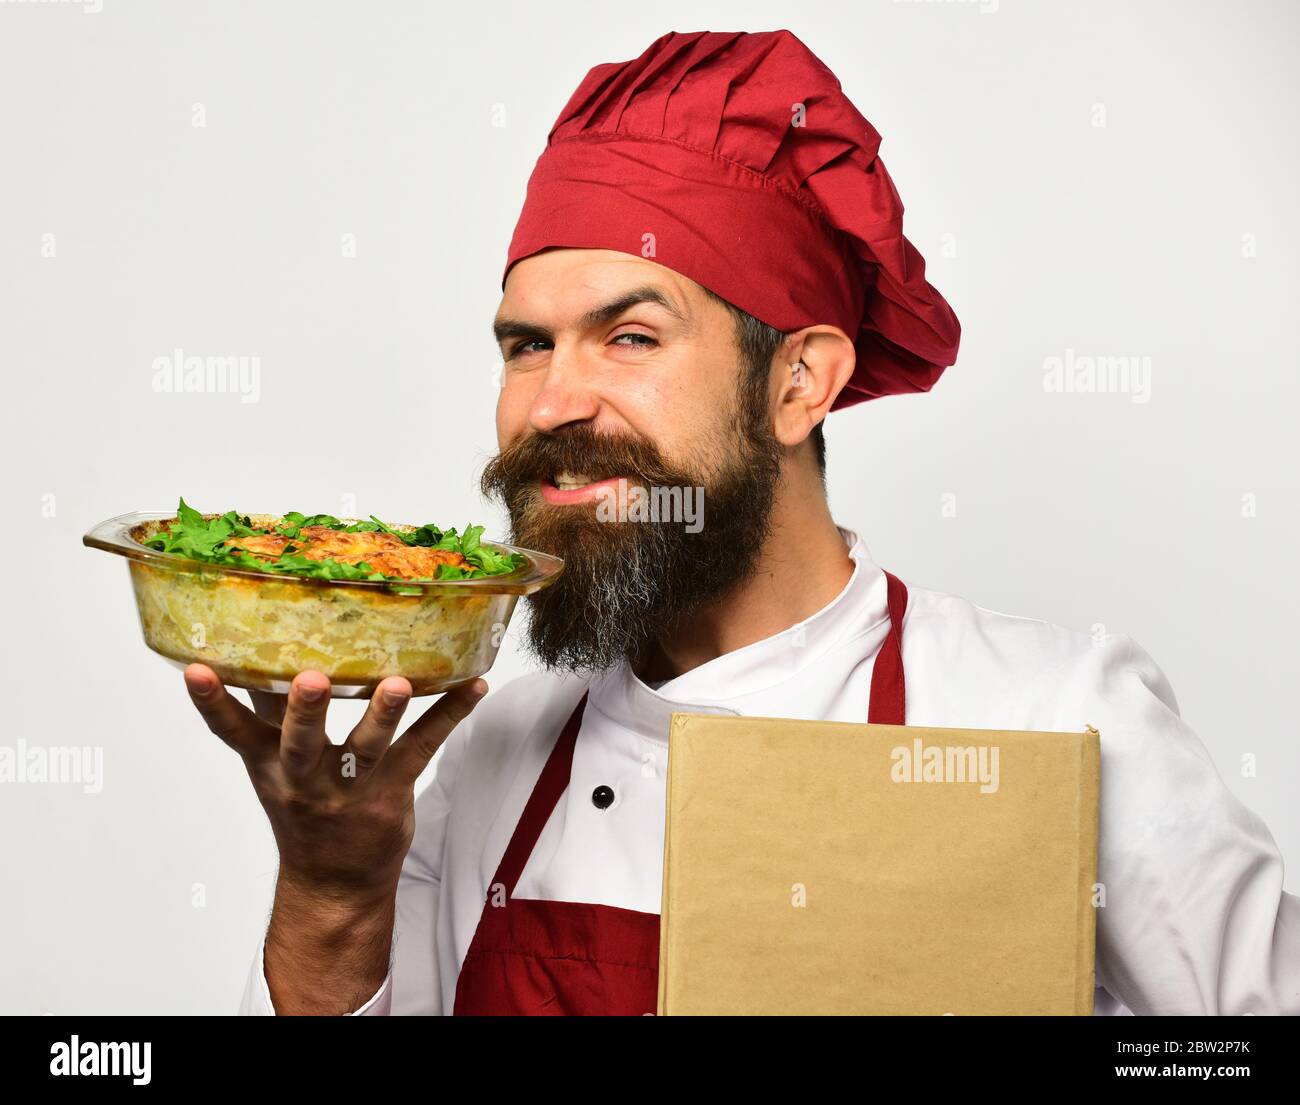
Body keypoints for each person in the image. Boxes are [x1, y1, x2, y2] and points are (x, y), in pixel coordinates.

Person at [180, 29, 1299, 1015]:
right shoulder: (488, 751)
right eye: (527, 344)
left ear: (800, 384)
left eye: (629, 336)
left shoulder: (1053, 719)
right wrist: (331, 892)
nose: (552, 403)